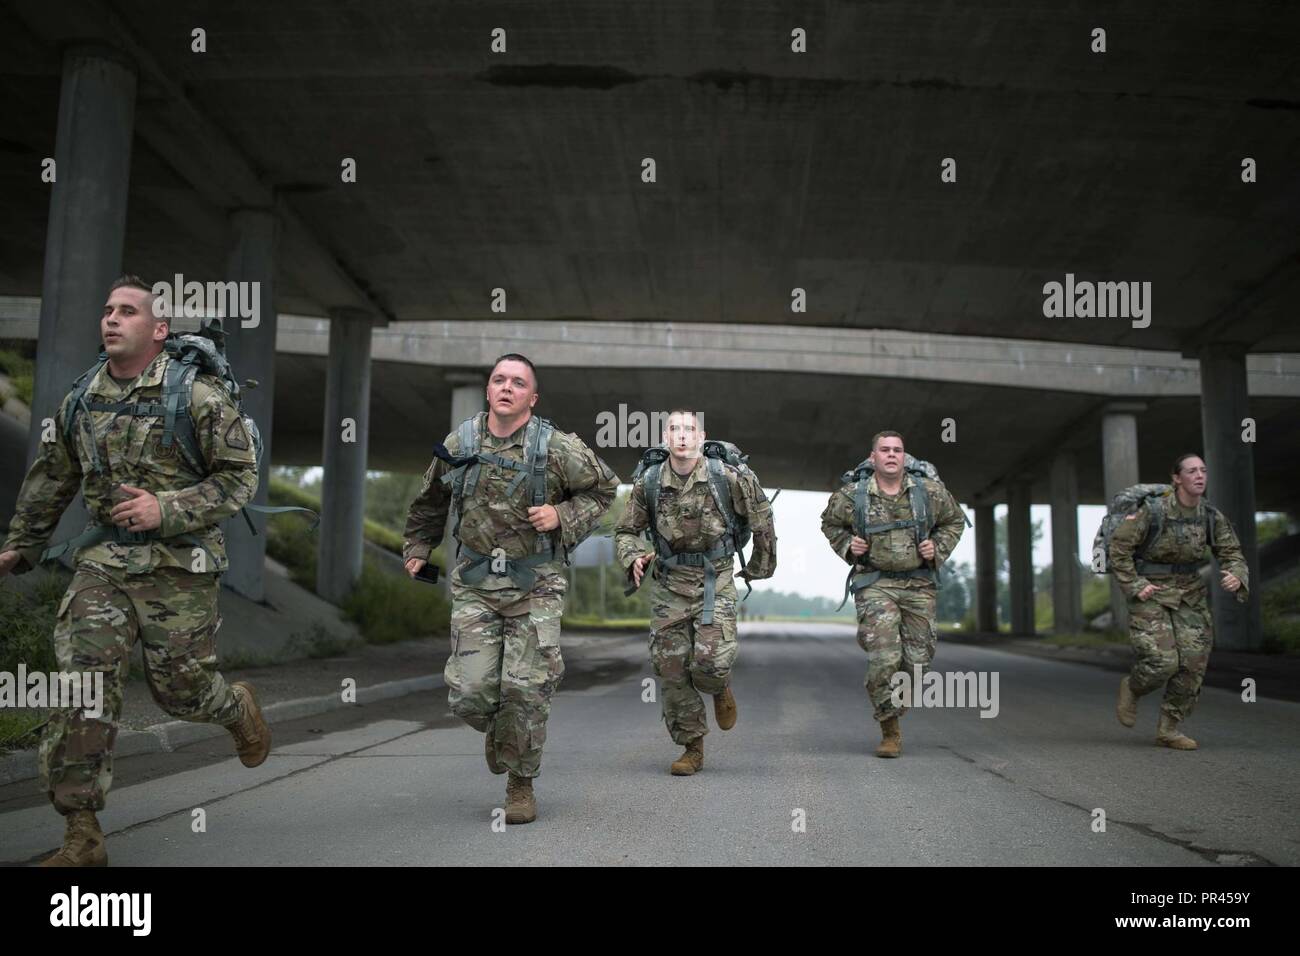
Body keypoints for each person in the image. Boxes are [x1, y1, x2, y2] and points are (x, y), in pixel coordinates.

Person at [0, 275, 268, 866]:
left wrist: (165, 509)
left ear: (159, 329)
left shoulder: (197, 396)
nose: (112, 319)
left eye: (128, 311)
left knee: (182, 692)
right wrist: (21, 546)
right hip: (105, 562)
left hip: (181, 563)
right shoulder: (82, 396)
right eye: (107, 310)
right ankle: (82, 832)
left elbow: (239, 479)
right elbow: (53, 475)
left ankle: (234, 708)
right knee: (83, 683)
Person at [402, 353, 618, 823]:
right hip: (476, 581)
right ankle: (503, 734)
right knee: (470, 694)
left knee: (526, 688)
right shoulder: (460, 442)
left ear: (532, 398)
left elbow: (604, 490)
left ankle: (520, 784)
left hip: (535, 582)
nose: (506, 387)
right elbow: (431, 499)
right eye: (499, 379)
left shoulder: (557, 447)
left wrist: (562, 514)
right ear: (487, 390)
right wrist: (418, 546)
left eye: (518, 383)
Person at [614, 410, 775, 775]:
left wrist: (759, 566)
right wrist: (633, 556)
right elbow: (625, 530)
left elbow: (761, 519)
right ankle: (692, 748)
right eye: (675, 429)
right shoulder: (649, 481)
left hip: (714, 579)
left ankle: (719, 686)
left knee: (710, 664)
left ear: (702, 437)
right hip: (669, 584)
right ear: (665, 437)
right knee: (670, 669)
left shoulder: (726, 477)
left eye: (689, 429)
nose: (682, 435)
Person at [820, 431, 965, 757]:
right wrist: (848, 545)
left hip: (919, 584)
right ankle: (889, 730)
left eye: (897, 450)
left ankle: (895, 704)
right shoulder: (853, 495)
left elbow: (954, 521)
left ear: (904, 457)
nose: (891, 455)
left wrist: (937, 547)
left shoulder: (928, 492)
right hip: (875, 584)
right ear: (873, 457)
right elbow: (830, 523)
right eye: (884, 450)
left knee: (918, 663)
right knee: (884, 659)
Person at [1110, 453, 1248, 749]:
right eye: (1192, 471)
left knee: (1193, 663)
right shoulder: (1153, 511)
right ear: (1177, 478)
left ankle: (1169, 729)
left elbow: (1231, 552)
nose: (1199, 476)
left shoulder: (1210, 516)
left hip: (1190, 594)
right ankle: (1132, 687)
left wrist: (1237, 574)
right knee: (1162, 662)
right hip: (1151, 592)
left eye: (1203, 471)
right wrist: (1135, 584)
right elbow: (1119, 549)